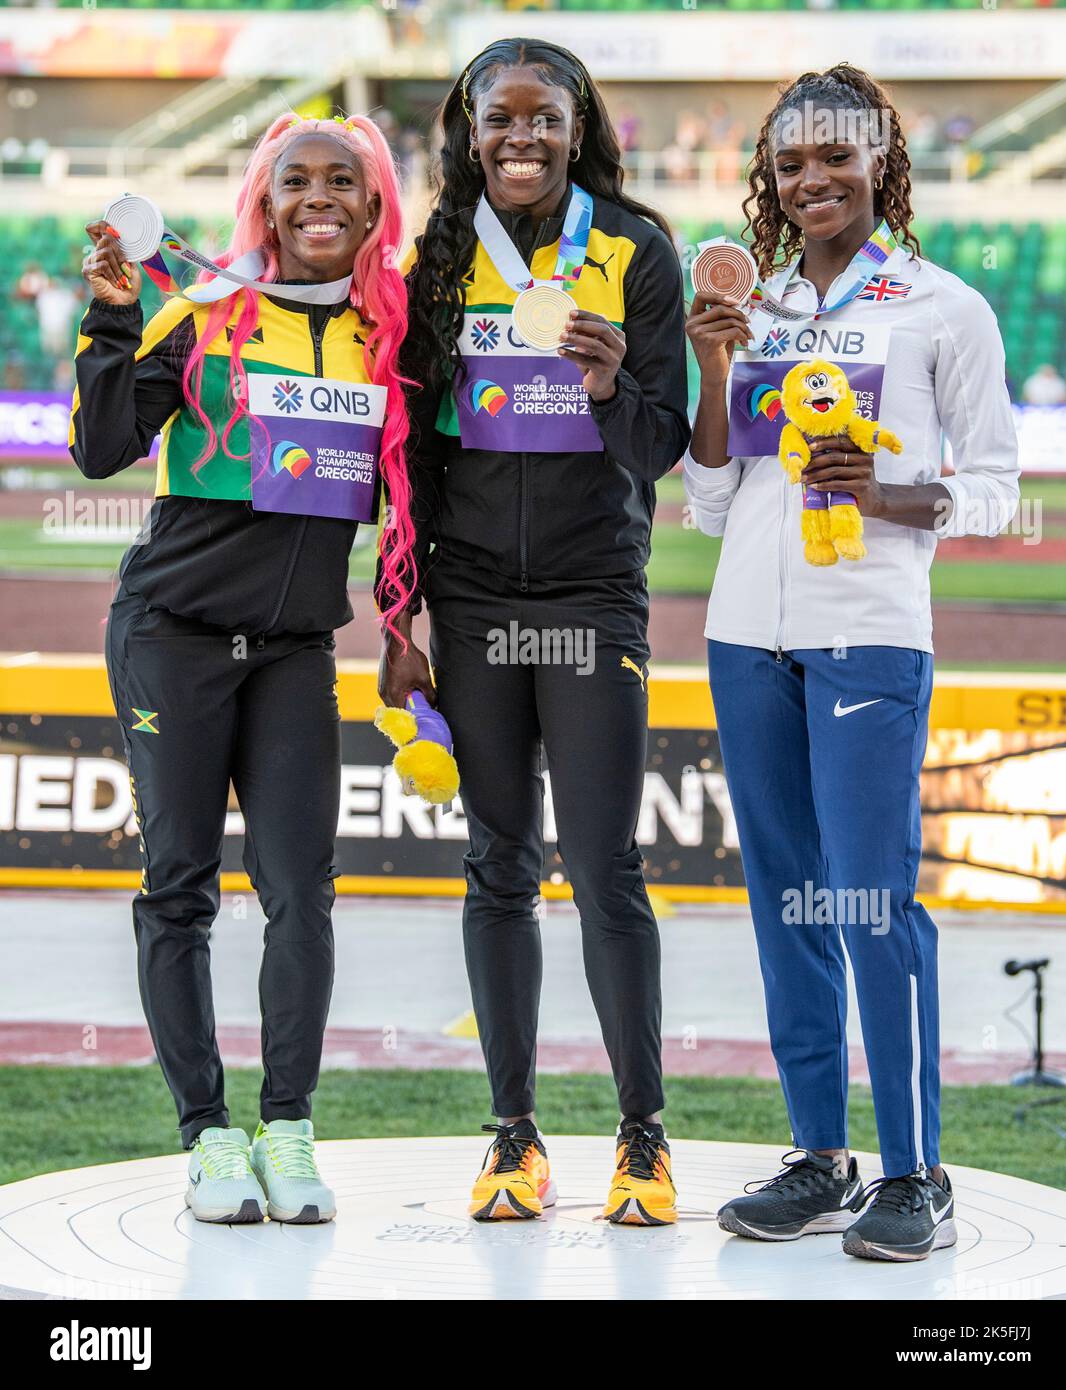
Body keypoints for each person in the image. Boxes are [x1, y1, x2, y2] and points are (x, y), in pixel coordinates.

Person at [684, 64, 1019, 1261]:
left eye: (835, 154)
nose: (812, 176)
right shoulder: (754, 302)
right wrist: (714, 368)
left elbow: (993, 487)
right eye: (790, 161)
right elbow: (713, 505)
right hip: (743, 635)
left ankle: (913, 1171)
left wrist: (888, 492)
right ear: (769, 181)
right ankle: (819, 1156)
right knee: (787, 900)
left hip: (869, 630)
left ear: (880, 160)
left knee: (872, 899)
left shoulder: (942, 307)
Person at [70, 113, 414, 1225]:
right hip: (171, 632)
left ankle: (290, 1129)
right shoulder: (206, 315)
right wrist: (113, 317)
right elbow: (102, 448)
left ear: (372, 208)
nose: (318, 197)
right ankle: (208, 1136)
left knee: (300, 893)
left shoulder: (389, 333)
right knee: (178, 890)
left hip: (294, 653)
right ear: (265, 206)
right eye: (294, 182)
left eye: (341, 183)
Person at [381, 38, 690, 1225]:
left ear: (577, 126)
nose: (520, 138)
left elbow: (662, 444)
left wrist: (614, 390)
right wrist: (402, 602)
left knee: (606, 869)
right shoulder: (440, 257)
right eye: (497, 119)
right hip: (471, 602)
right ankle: (512, 1134)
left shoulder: (634, 249)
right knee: (498, 866)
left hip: (589, 597)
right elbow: (411, 453)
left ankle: (642, 1138)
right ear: (468, 130)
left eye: (543, 118)